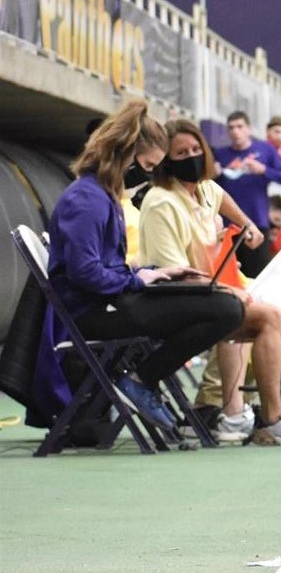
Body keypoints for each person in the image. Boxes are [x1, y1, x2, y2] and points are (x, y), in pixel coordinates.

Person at [42, 99, 241, 433]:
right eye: (147, 165)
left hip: (109, 301)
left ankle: (144, 379)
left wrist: (146, 274)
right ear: (125, 154)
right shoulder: (87, 200)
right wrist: (138, 281)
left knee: (225, 306)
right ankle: (143, 379)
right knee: (225, 310)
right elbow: (85, 273)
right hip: (93, 313)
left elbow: (101, 268)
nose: (149, 174)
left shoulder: (101, 195)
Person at [138, 119, 281, 446]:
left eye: (196, 149)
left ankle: (239, 410)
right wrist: (230, 290)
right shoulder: (160, 202)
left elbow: (221, 198)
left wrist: (247, 224)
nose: (192, 156)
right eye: (181, 152)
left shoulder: (205, 189)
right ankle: (265, 418)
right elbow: (175, 274)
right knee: (265, 316)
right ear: (166, 159)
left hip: (210, 291)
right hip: (178, 300)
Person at [212, 111, 281, 280]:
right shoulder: (220, 155)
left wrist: (264, 170)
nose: (236, 131)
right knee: (229, 278)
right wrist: (212, 173)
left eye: (240, 127)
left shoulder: (264, 150)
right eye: (231, 128)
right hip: (227, 228)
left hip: (256, 223)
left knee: (258, 278)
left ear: (248, 129)